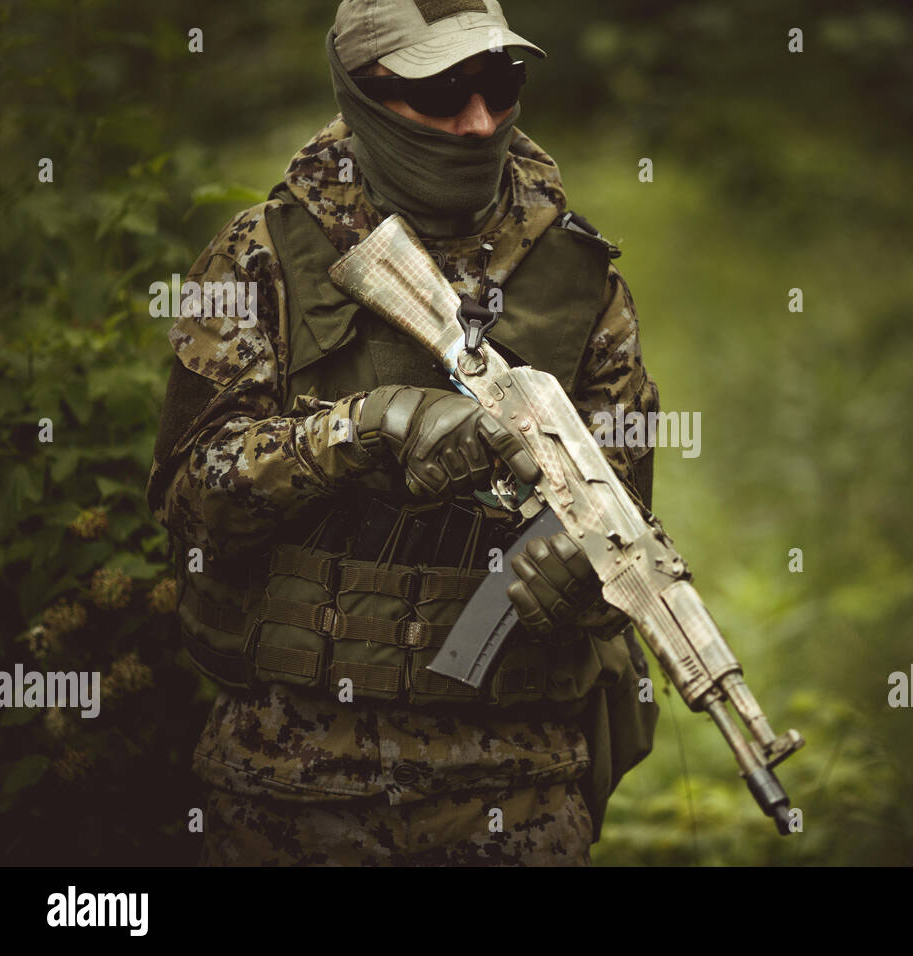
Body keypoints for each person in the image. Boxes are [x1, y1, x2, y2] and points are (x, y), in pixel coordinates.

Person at [146, 0, 660, 866]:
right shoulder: (263, 255)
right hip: (293, 781)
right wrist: (360, 431)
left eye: (500, 83)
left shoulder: (578, 278)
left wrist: (583, 565)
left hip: (517, 790)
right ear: (362, 93)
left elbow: (630, 511)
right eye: (443, 90)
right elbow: (191, 506)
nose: (480, 120)